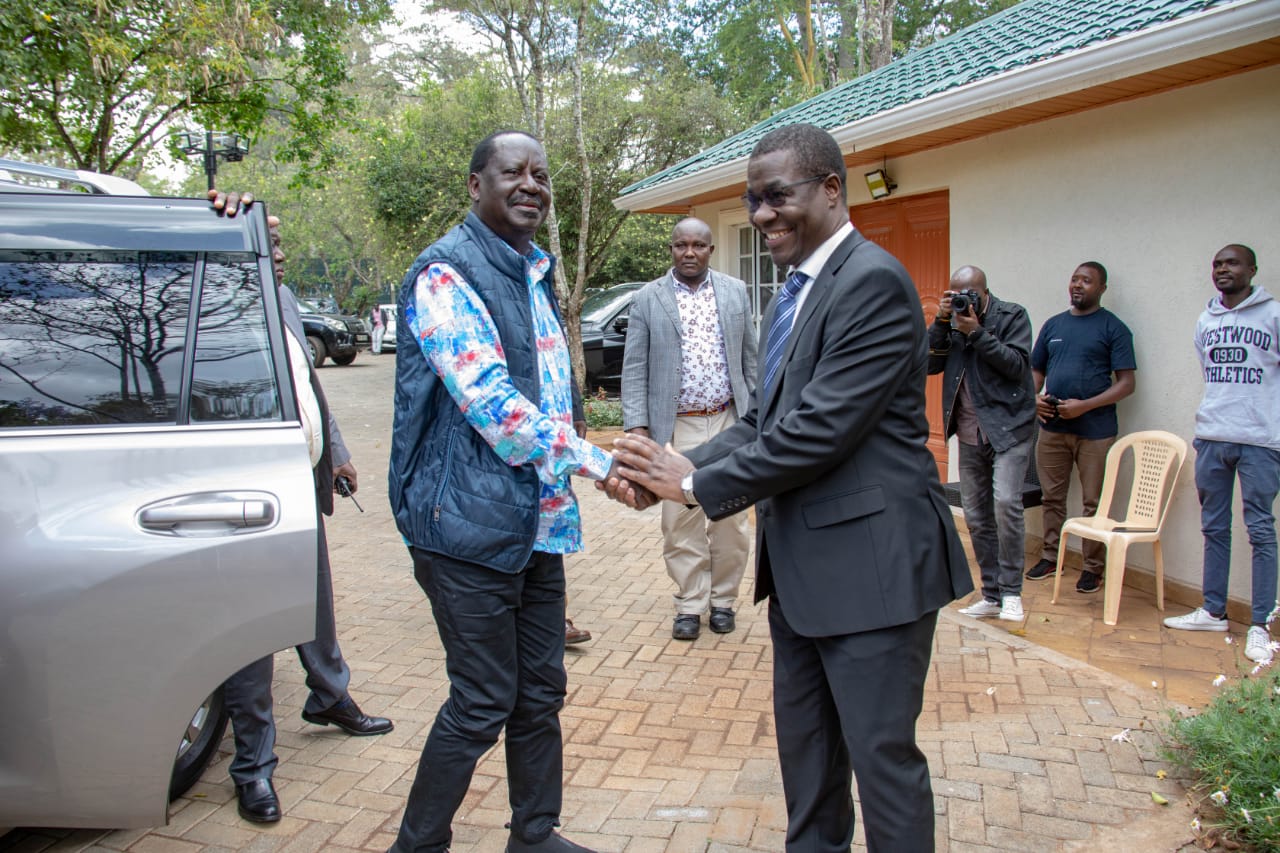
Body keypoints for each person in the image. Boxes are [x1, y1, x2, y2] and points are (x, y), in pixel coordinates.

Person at [605, 123, 971, 852]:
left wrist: (699, 482)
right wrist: (666, 474)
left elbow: (819, 433)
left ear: (831, 189)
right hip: (802, 577)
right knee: (809, 771)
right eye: (753, 199)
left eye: (777, 195)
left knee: (883, 767)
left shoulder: (873, 281)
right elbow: (769, 423)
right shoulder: (794, 293)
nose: (763, 213)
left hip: (874, 572)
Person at [386, 130, 624, 853]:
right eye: (513, 172)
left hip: (536, 522)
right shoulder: (445, 274)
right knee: (483, 698)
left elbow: (552, 389)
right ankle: (417, 844)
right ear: (475, 184)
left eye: (542, 175)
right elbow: (491, 402)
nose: (531, 185)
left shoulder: (532, 270)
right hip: (464, 525)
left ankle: (535, 833)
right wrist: (601, 462)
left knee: (540, 692)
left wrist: (586, 454)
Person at [213, 198, 395, 823]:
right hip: (242, 497)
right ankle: (253, 768)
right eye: (266, 239)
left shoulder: (284, 299)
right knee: (253, 630)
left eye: (281, 238)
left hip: (298, 480)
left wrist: (335, 451)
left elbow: (309, 389)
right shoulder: (212, 304)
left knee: (314, 604)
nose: (281, 250)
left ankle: (329, 697)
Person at [621, 217, 757, 640]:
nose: (690, 253)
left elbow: (750, 359)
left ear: (710, 250)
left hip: (729, 422)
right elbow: (635, 367)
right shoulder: (648, 299)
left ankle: (723, 601)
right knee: (680, 520)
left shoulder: (735, 292)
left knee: (731, 520)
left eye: (699, 245)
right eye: (682, 245)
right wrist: (639, 430)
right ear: (672, 249)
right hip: (676, 428)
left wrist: (761, 416)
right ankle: (690, 602)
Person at [1164, 244, 1279, 665]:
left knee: (1261, 530)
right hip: (1213, 436)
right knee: (1214, 527)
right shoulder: (1205, 319)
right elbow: (1209, 372)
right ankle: (1213, 611)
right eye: (1217, 263)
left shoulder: (1272, 315)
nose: (1223, 269)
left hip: (1260, 441)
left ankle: (1261, 624)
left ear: (1252, 269)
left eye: (1232, 263)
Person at [929, 266, 1036, 623]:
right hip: (970, 431)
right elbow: (928, 363)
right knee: (975, 515)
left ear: (985, 292)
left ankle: (1012, 593)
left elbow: (1017, 366)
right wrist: (942, 323)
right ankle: (991, 594)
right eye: (956, 293)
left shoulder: (1012, 316)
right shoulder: (953, 322)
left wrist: (976, 333)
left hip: (1008, 430)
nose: (963, 300)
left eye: (969, 294)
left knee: (1006, 504)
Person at [1024, 262, 1136, 594]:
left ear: (1102, 288)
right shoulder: (1054, 325)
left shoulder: (1113, 328)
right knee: (1052, 498)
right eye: (1075, 279)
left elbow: (1127, 384)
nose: (1078, 285)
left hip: (1096, 431)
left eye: (1087, 281)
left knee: (1093, 503)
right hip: (1052, 428)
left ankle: (1092, 568)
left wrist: (1084, 406)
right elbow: (1036, 371)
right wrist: (1033, 398)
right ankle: (1050, 556)